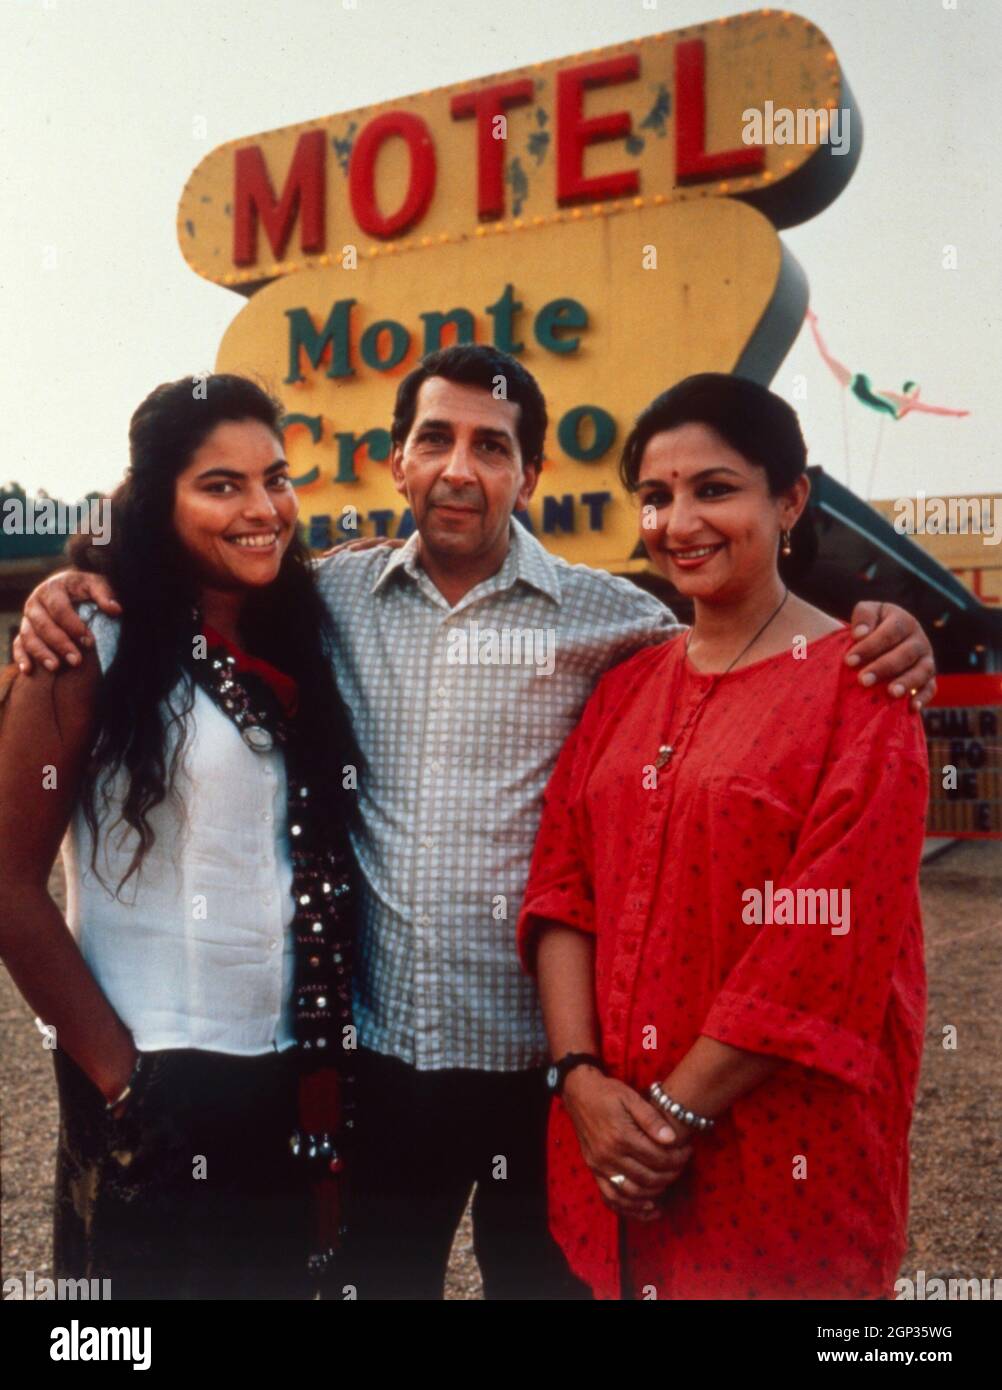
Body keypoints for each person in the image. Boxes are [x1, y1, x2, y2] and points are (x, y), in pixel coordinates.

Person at [13, 347, 936, 1301]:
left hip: (544, 1072)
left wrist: (880, 636)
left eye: (491, 446)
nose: (460, 468)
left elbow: (738, 645)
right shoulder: (322, 599)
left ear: (530, 475)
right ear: (399, 462)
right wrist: (68, 585)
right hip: (377, 1062)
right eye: (435, 440)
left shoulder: (617, 623)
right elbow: (185, 580)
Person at [516, 373, 929, 1300]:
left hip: (777, 1158)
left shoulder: (861, 689)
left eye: (715, 488)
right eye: (655, 498)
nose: (679, 521)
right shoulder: (625, 687)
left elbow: (821, 941)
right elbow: (562, 888)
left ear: (788, 500)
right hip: (613, 1151)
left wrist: (666, 1119)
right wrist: (580, 1081)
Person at [0, 374, 357, 1299]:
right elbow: (6, 882)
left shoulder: (302, 633)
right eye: (221, 485)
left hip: (289, 1070)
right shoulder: (91, 640)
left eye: (275, 478)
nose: (261, 508)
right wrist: (123, 1083)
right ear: (157, 502)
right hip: (156, 1073)